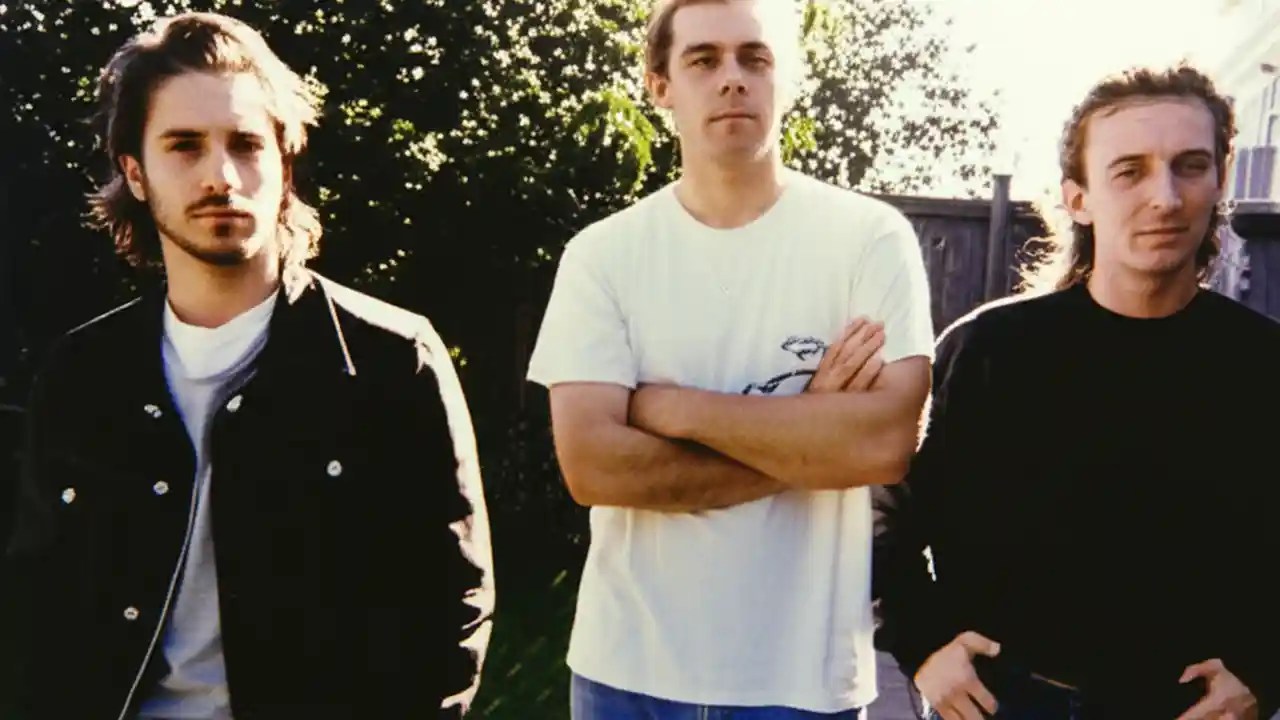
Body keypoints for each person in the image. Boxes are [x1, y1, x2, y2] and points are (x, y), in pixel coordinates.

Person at [1, 12, 494, 719]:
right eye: (185, 146)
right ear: (135, 174)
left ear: (283, 165)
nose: (221, 176)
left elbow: (453, 610)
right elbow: (37, 613)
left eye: (246, 145)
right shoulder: (83, 378)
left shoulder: (389, 363)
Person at [526, 0, 935, 716]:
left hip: (803, 683)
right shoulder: (604, 255)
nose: (733, 79)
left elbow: (883, 444)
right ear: (661, 87)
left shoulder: (868, 238)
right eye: (703, 59)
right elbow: (592, 466)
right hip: (628, 674)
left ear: (791, 76)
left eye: (756, 57)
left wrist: (670, 409)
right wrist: (810, 429)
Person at [874, 64, 1280, 720]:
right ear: (1078, 196)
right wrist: (924, 647)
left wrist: (1264, 670)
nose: (1166, 197)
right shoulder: (988, 353)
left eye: (1190, 166)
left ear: (1221, 181)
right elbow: (884, 515)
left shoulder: (1264, 366)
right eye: (1130, 170)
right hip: (1003, 705)